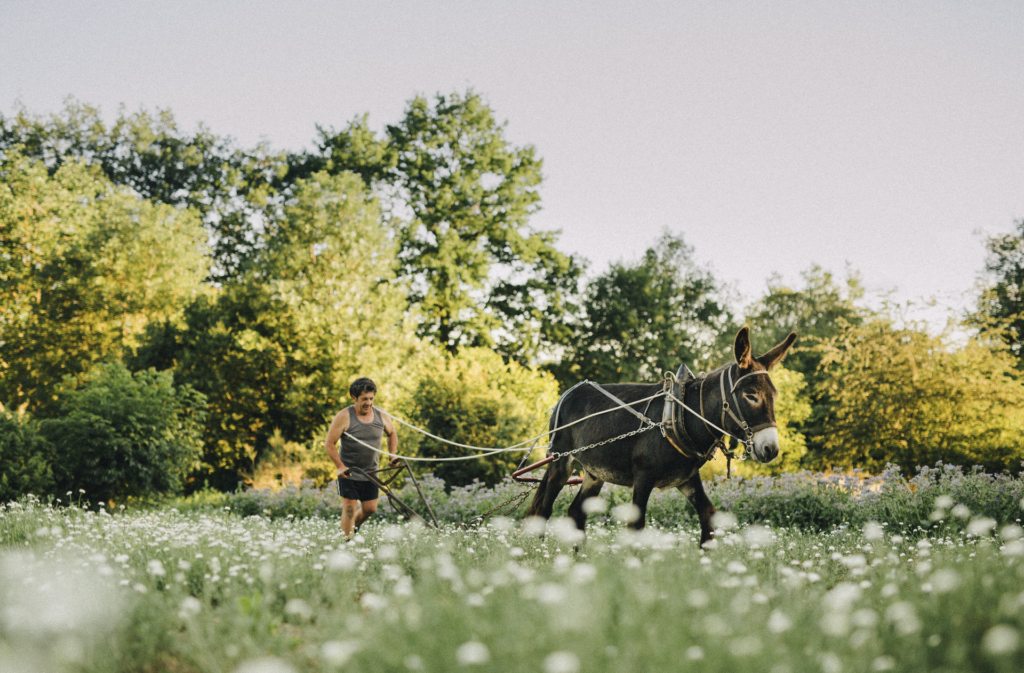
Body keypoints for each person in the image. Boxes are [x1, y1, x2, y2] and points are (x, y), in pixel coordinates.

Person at [325, 377, 399, 536]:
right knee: (350, 509)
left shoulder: (381, 414)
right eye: (364, 399)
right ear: (354, 398)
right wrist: (340, 466)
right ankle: (345, 543)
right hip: (349, 472)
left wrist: (392, 455)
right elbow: (329, 443)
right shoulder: (344, 416)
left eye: (371, 398)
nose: (369, 403)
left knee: (370, 509)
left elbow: (392, 433)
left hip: (371, 472)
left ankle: (348, 532)